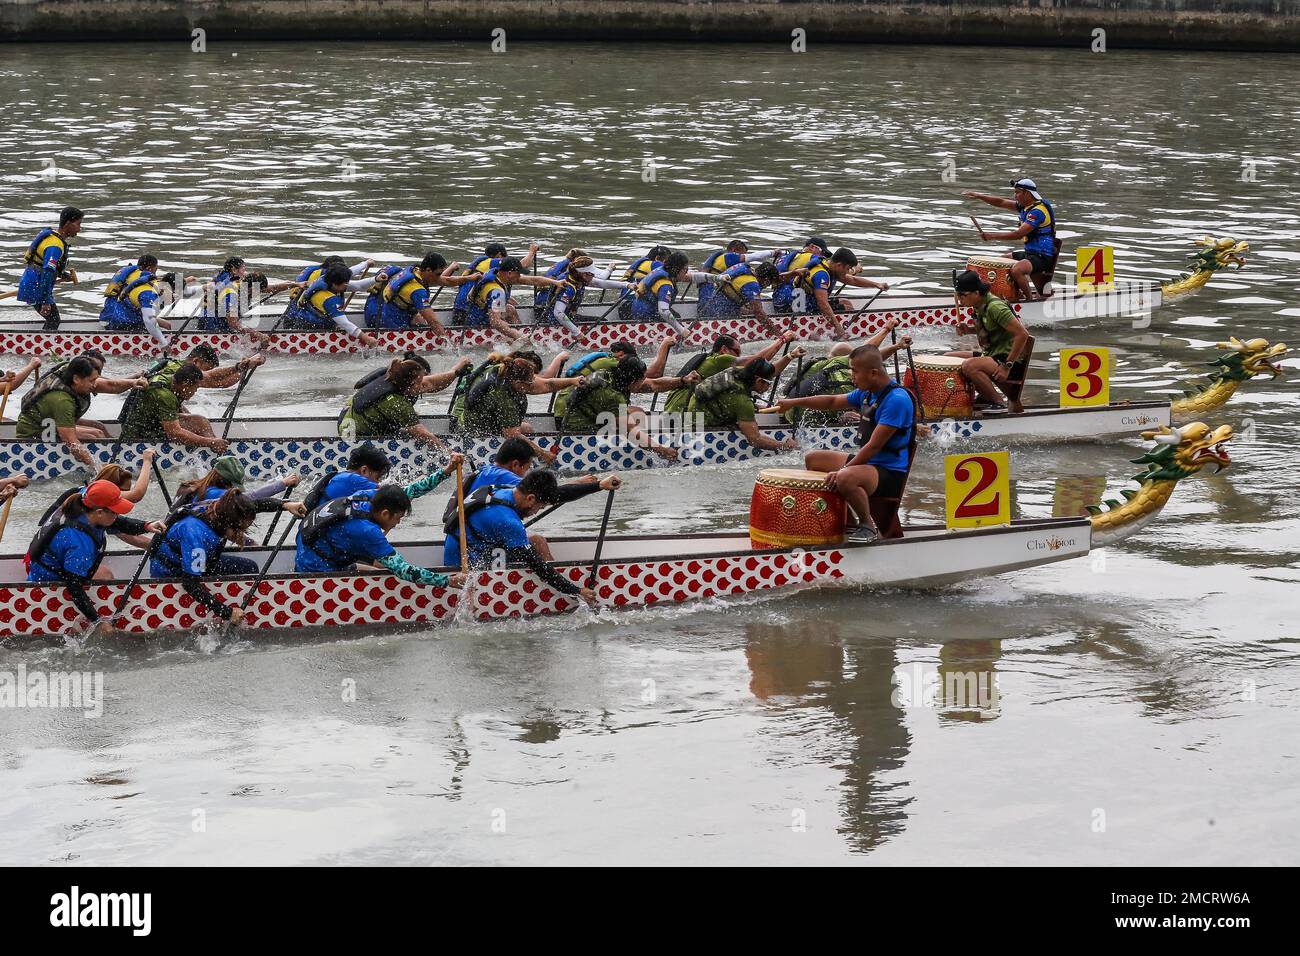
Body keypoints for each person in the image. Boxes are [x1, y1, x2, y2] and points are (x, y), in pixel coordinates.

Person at [765, 345, 917, 543]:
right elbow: (832, 401)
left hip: (889, 471)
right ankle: (848, 522)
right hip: (870, 466)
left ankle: (867, 526)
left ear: (873, 372)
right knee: (813, 459)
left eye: (854, 370)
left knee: (844, 477)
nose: (850, 375)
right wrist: (794, 402)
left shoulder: (896, 400)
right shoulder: (867, 393)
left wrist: (844, 470)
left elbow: (873, 447)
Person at [442, 468, 618, 606]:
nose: (536, 512)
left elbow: (558, 495)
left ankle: (557, 581)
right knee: (535, 554)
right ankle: (554, 598)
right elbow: (536, 565)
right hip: (463, 562)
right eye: (539, 507)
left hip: (476, 545)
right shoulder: (508, 521)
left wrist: (599, 485)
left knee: (536, 540)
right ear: (531, 498)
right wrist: (576, 591)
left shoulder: (507, 490)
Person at [26, 479, 163, 632]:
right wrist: (97, 621)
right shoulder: (78, 542)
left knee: (106, 574)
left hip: (44, 568)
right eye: (115, 511)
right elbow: (74, 587)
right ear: (99, 512)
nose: (117, 515)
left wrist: (146, 526)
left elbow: (116, 522)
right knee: (104, 577)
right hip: (47, 587)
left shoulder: (84, 503)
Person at [295, 483, 464, 589]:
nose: (397, 523)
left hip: (310, 549)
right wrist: (446, 581)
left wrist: (445, 472)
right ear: (385, 513)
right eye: (398, 518)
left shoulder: (367, 496)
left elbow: (408, 491)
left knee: (380, 565)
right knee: (389, 568)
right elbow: (403, 571)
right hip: (316, 569)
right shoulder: (368, 531)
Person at [14, 355, 147, 468]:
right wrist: (96, 468)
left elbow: (111, 385)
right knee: (95, 435)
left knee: (98, 427)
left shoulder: (72, 375)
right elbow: (71, 442)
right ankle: (110, 466)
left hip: (51, 423)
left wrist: (134, 382)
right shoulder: (62, 400)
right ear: (77, 379)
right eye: (92, 381)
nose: (95, 385)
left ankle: (116, 458)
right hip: (34, 436)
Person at [150, 489, 260, 625]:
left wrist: (284, 505)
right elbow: (190, 584)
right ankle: (234, 614)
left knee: (250, 567)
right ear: (229, 522)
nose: (241, 534)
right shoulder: (195, 534)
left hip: (197, 562)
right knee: (248, 569)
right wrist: (226, 612)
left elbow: (259, 503)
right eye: (239, 529)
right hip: (171, 574)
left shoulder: (216, 507)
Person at [781, 319, 913, 426]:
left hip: (787, 407)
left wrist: (896, 344)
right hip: (800, 420)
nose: (852, 373)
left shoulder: (830, 363)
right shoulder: (852, 387)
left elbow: (868, 355)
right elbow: (866, 352)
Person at [560, 355, 681, 460]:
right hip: (580, 429)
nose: (642, 384)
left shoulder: (607, 374)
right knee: (632, 423)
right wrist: (661, 450)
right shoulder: (613, 396)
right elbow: (631, 431)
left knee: (638, 413)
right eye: (642, 380)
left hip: (575, 416)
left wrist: (682, 381)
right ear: (633, 380)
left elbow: (654, 384)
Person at [946, 269, 1033, 413]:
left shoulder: (995, 307)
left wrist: (1007, 366)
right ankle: (980, 396)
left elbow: (1022, 334)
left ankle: (998, 403)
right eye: (958, 295)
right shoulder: (978, 305)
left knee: (969, 366)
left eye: (963, 295)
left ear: (976, 292)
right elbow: (990, 329)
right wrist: (968, 330)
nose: (960, 300)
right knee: (948, 359)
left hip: (1008, 360)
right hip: (991, 354)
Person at [339, 354, 465, 448]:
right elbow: (423, 434)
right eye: (419, 382)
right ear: (409, 384)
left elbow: (432, 383)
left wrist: (457, 370)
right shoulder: (397, 403)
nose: (422, 385)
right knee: (412, 433)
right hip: (352, 434)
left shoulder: (397, 380)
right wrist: (448, 452)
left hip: (353, 417)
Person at [963, 178, 1058, 300]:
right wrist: (979, 196)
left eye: (1018, 192)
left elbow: (1018, 234)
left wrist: (992, 236)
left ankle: (1028, 300)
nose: (1015, 196)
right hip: (1031, 254)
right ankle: (1015, 294)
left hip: (1042, 256)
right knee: (1001, 262)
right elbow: (1001, 202)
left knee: (1017, 270)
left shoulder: (1037, 212)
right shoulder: (1026, 206)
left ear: (1027, 193)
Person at [662, 332, 798, 414]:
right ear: (724, 349)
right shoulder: (720, 360)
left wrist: (790, 356)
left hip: (672, 409)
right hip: (683, 410)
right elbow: (756, 362)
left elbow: (768, 371)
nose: (739, 356)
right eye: (737, 352)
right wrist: (782, 339)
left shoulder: (712, 362)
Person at [687, 357, 800, 453]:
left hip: (690, 413)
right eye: (768, 383)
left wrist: (790, 356)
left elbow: (728, 400)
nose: (768, 388)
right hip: (699, 428)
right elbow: (755, 440)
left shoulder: (738, 372)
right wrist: (785, 446)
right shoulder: (743, 402)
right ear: (759, 381)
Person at [118, 362, 230, 452]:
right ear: (185, 384)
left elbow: (214, 378)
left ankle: (215, 446)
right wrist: (210, 442)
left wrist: (238, 368)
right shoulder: (163, 394)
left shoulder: (171, 378)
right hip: (138, 434)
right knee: (199, 422)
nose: (194, 392)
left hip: (151, 422)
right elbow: (174, 433)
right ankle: (215, 448)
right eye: (195, 389)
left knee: (199, 421)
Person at [790, 247, 890, 339]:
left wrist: (877, 284)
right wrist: (838, 328)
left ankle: (853, 330)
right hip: (802, 309)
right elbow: (823, 304)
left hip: (807, 302)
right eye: (847, 268)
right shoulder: (821, 275)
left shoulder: (829, 267)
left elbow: (853, 280)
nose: (848, 272)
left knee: (845, 301)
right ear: (839, 265)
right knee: (846, 308)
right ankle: (848, 334)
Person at [37, 455, 157, 525]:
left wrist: (146, 527)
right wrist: (147, 461)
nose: (120, 497)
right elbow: (137, 495)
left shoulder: (89, 492)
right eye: (122, 491)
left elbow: (122, 529)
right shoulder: (99, 498)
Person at [462, 256, 562, 341]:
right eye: (518, 273)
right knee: (510, 328)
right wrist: (519, 337)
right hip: (478, 324)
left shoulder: (497, 275)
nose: (519, 276)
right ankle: (521, 336)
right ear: (509, 273)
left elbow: (533, 280)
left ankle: (520, 330)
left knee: (510, 309)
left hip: (476, 314)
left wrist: (555, 282)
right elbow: (495, 322)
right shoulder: (497, 292)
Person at [17, 205, 82, 330]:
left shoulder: (54, 239)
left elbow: (45, 266)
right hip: (36, 285)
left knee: (52, 319)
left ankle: (42, 345)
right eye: (78, 224)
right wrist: (45, 301)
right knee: (53, 320)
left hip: (33, 282)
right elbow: (47, 272)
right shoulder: (55, 246)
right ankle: (41, 347)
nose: (79, 229)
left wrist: (63, 275)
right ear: (68, 223)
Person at [379, 252, 481, 332]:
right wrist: (451, 346)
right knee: (430, 322)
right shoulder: (418, 291)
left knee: (421, 320)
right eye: (438, 274)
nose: (439, 277)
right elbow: (434, 323)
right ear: (428, 270)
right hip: (395, 322)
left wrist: (469, 278)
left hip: (392, 312)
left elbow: (447, 280)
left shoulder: (416, 271)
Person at [282, 264, 379, 347]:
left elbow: (359, 285)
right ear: (336, 283)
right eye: (345, 283)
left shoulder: (326, 279)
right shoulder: (328, 299)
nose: (347, 285)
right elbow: (345, 323)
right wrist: (366, 338)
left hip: (305, 321)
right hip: (309, 328)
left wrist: (376, 278)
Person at [200, 256, 302, 335]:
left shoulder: (241, 281)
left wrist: (295, 284)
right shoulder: (230, 288)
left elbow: (271, 288)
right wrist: (257, 335)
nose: (245, 271)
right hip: (212, 319)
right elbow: (233, 323)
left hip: (220, 314)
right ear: (233, 269)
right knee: (231, 324)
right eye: (243, 268)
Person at [539, 256, 634, 336]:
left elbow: (601, 283)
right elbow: (558, 313)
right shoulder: (569, 288)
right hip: (557, 323)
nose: (594, 276)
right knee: (603, 322)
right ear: (584, 274)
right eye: (592, 274)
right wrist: (576, 332)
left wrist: (626, 285)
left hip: (567, 317)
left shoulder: (574, 276)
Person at [697, 260, 786, 331]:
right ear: (766, 279)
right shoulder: (751, 284)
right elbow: (759, 314)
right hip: (715, 313)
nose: (767, 286)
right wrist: (779, 334)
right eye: (769, 283)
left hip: (705, 302)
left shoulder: (744, 267)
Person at [100, 269, 180, 345]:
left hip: (117, 317)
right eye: (173, 294)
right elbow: (148, 320)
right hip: (123, 323)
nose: (173, 297)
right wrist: (163, 343)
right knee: (161, 326)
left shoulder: (152, 283)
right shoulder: (148, 294)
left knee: (164, 324)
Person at [696, 240, 780, 309]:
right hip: (711, 294)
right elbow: (752, 256)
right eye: (742, 254)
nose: (742, 258)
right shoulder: (729, 257)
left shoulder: (720, 258)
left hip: (705, 293)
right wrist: (772, 253)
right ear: (734, 250)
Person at [629, 252, 691, 332]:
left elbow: (693, 277)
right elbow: (663, 311)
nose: (686, 273)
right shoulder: (665, 285)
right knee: (677, 318)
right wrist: (681, 330)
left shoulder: (663, 270)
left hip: (638, 310)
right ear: (676, 269)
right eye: (685, 270)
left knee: (675, 315)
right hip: (647, 316)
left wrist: (711, 278)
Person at [99, 254, 158, 320]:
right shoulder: (142, 276)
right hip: (120, 318)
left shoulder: (128, 272)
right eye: (156, 268)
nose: (156, 271)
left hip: (107, 311)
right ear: (149, 268)